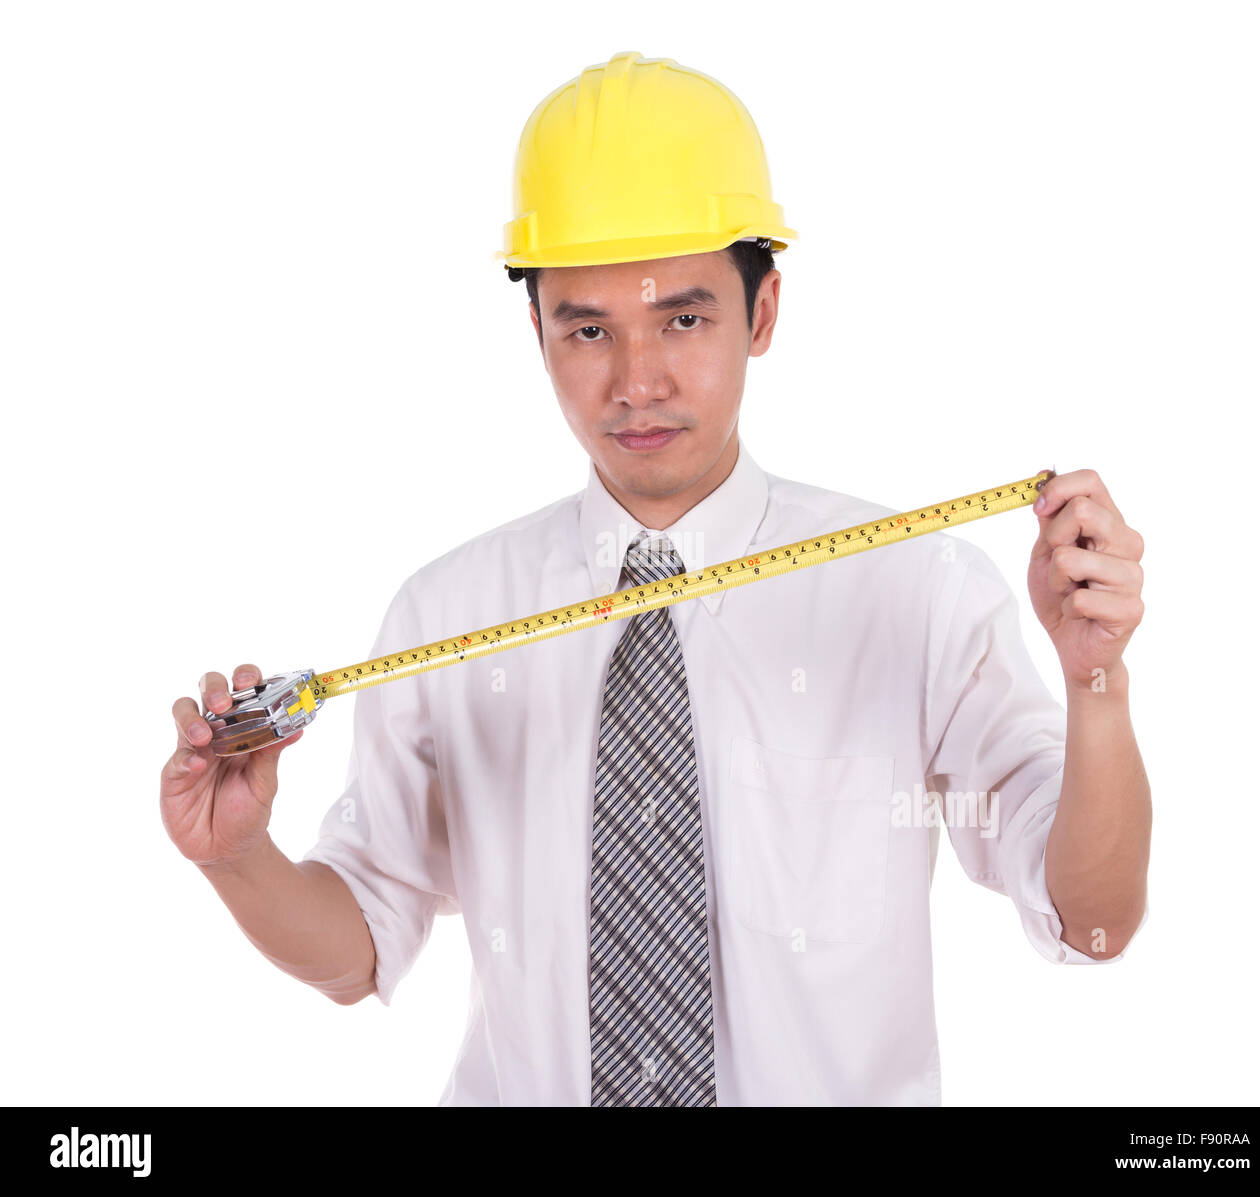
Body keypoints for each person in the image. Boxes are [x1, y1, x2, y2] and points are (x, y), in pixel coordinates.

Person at [161, 51, 1150, 1106]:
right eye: (587, 330)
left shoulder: (919, 595)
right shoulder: (448, 614)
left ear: (762, 311)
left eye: (683, 319)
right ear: (534, 331)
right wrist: (238, 857)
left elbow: (1091, 919)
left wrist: (1095, 682)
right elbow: (357, 949)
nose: (634, 382)